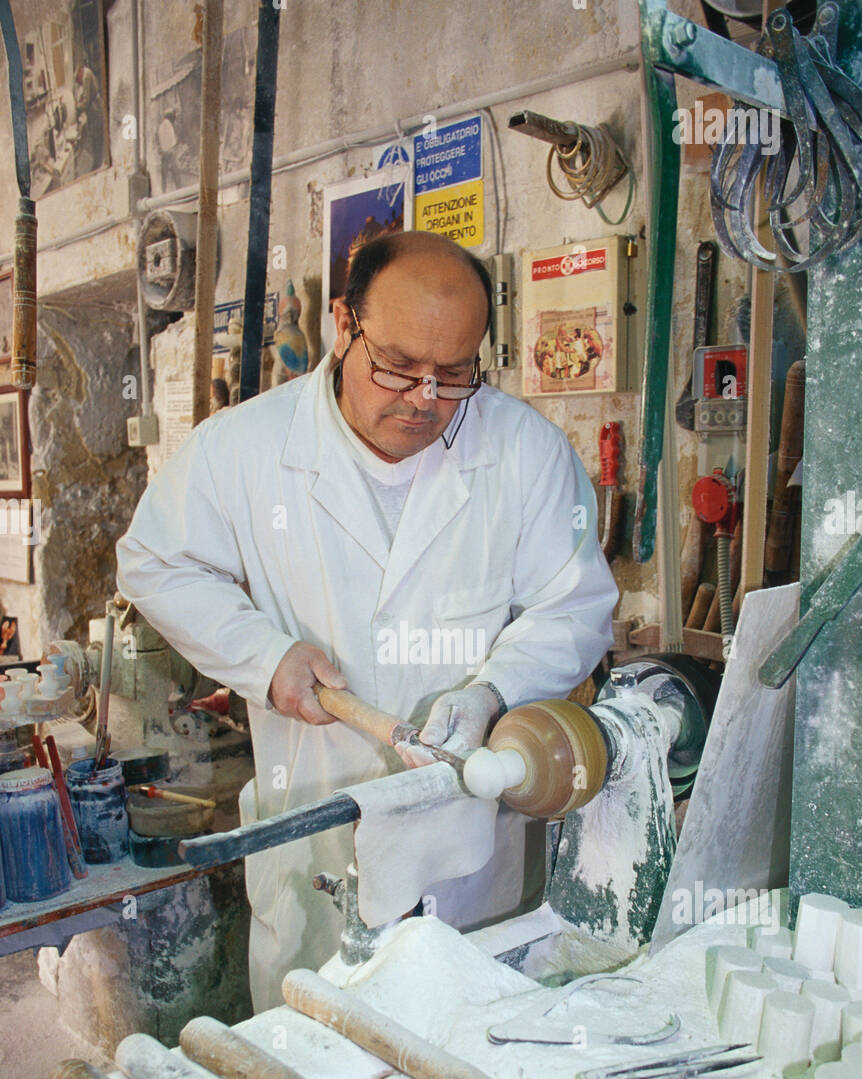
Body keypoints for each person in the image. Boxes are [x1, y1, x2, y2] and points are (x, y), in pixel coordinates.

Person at [116, 231, 617, 1011]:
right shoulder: (244, 449)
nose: (423, 399)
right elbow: (153, 560)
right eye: (398, 368)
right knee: (314, 1073)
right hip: (316, 828)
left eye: (454, 376)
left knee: (470, 1057)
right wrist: (263, 655)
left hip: (467, 848)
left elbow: (576, 605)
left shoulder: (524, 452)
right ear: (343, 323)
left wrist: (495, 690)